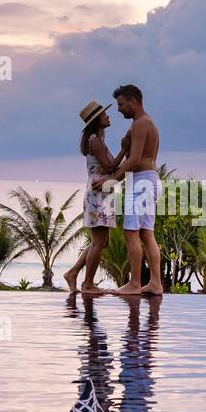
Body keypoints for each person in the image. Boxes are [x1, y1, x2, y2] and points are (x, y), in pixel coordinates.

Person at [93, 84, 163, 297]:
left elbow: (133, 160)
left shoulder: (142, 124)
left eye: (121, 104)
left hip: (142, 181)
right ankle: (155, 283)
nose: (119, 109)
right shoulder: (142, 124)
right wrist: (124, 148)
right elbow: (132, 157)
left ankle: (134, 283)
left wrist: (111, 180)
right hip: (146, 180)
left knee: (131, 232)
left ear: (133, 101)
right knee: (146, 233)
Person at [64, 99, 126, 294]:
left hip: (103, 190)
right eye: (104, 114)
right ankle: (87, 283)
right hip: (99, 192)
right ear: (97, 120)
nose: (108, 116)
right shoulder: (95, 141)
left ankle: (73, 273)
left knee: (102, 241)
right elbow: (110, 167)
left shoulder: (98, 141)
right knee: (99, 241)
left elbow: (111, 167)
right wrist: (125, 150)